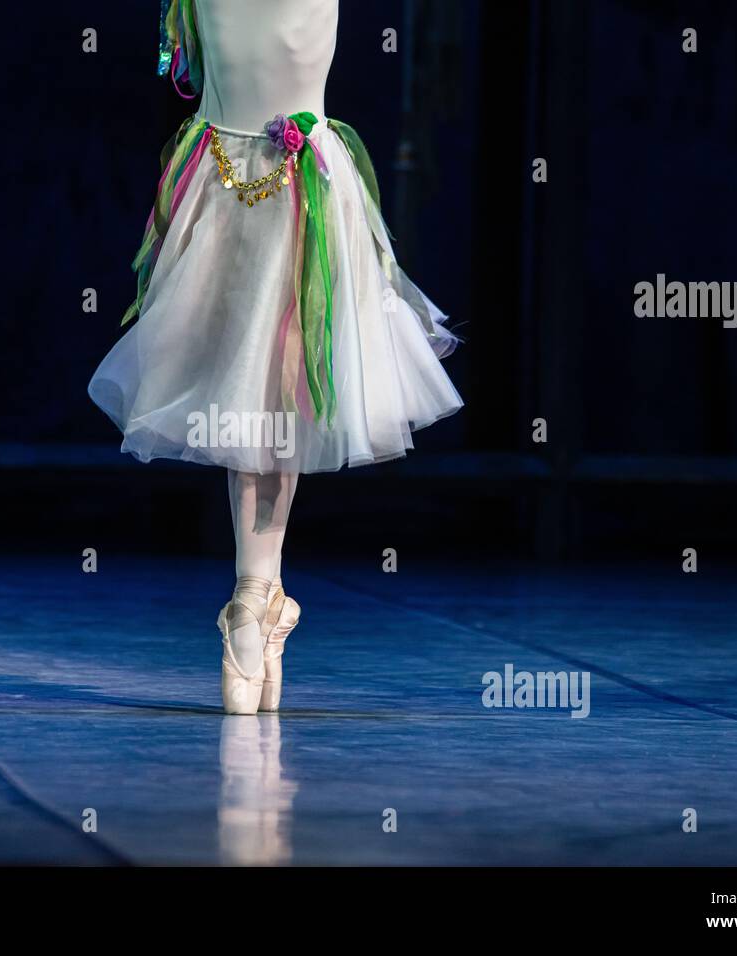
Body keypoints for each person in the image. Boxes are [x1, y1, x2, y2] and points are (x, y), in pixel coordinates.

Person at [89, 0, 463, 714]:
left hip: (297, 185)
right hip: (228, 182)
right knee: (247, 390)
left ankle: (255, 594)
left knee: (278, 386)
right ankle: (256, 596)